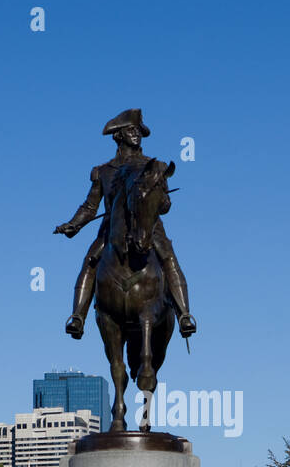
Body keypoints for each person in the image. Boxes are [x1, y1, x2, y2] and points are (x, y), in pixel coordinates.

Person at [54, 108, 196, 340]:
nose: (137, 134)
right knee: (90, 261)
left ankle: (184, 315)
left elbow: (166, 206)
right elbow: (91, 207)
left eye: (139, 130)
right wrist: (73, 225)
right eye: (131, 130)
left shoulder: (154, 166)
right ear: (118, 135)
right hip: (111, 231)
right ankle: (78, 316)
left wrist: (158, 199)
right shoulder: (103, 171)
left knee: (168, 256)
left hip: (149, 226)